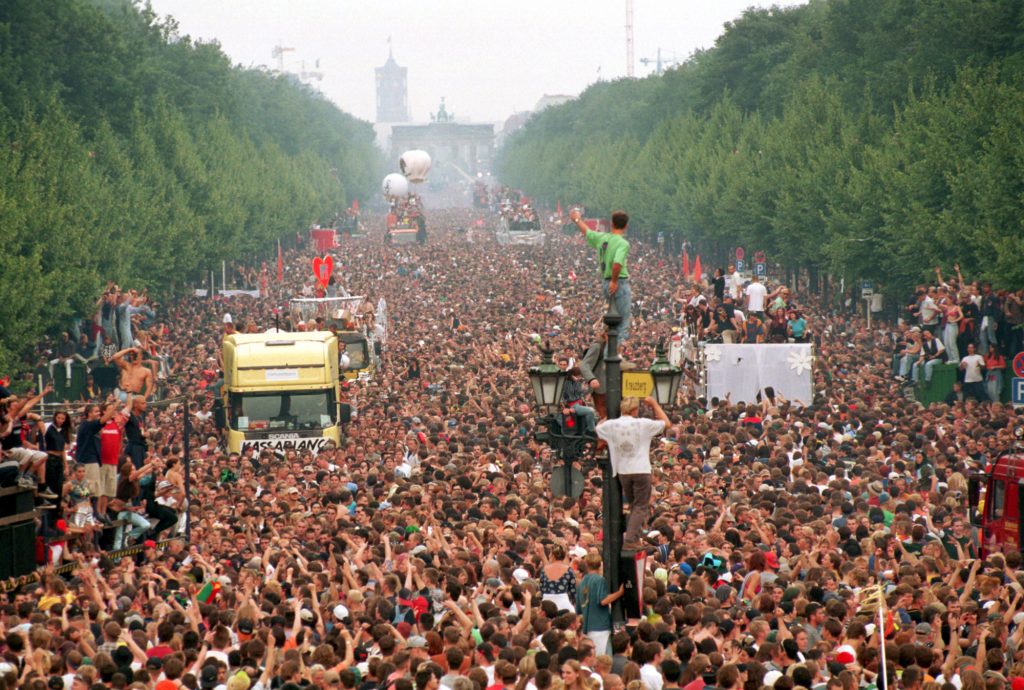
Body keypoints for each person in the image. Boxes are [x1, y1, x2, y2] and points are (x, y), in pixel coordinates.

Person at [596, 396, 669, 552]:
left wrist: (606, 417)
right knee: (641, 506)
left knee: (634, 506)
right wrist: (655, 404)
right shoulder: (643, 423)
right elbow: (667, 423)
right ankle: (630, 540)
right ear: (635, 410)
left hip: (623, 471)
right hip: (641, 470)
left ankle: (633, 537)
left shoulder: (611, 425)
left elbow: (598, 428)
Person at [569, 209, 632, 341]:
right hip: (618, 283)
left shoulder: (602, 238)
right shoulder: (623, 243)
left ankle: (608, 350)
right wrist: (614, 281)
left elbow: (587, 232)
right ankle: (613, 355)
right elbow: (617, 263)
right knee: (622, 324)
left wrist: (577, 219)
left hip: (605, 281)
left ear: (611, 224)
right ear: (626, 226)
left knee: (612, 321)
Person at [576, 552, 624, 656]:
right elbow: (603, 600)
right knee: (603, 659)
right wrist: (619, 593)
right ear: (599, 564)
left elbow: (579, 608)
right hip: (601, 626)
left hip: (587, 628)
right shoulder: (599, 580)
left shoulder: (581, 582)